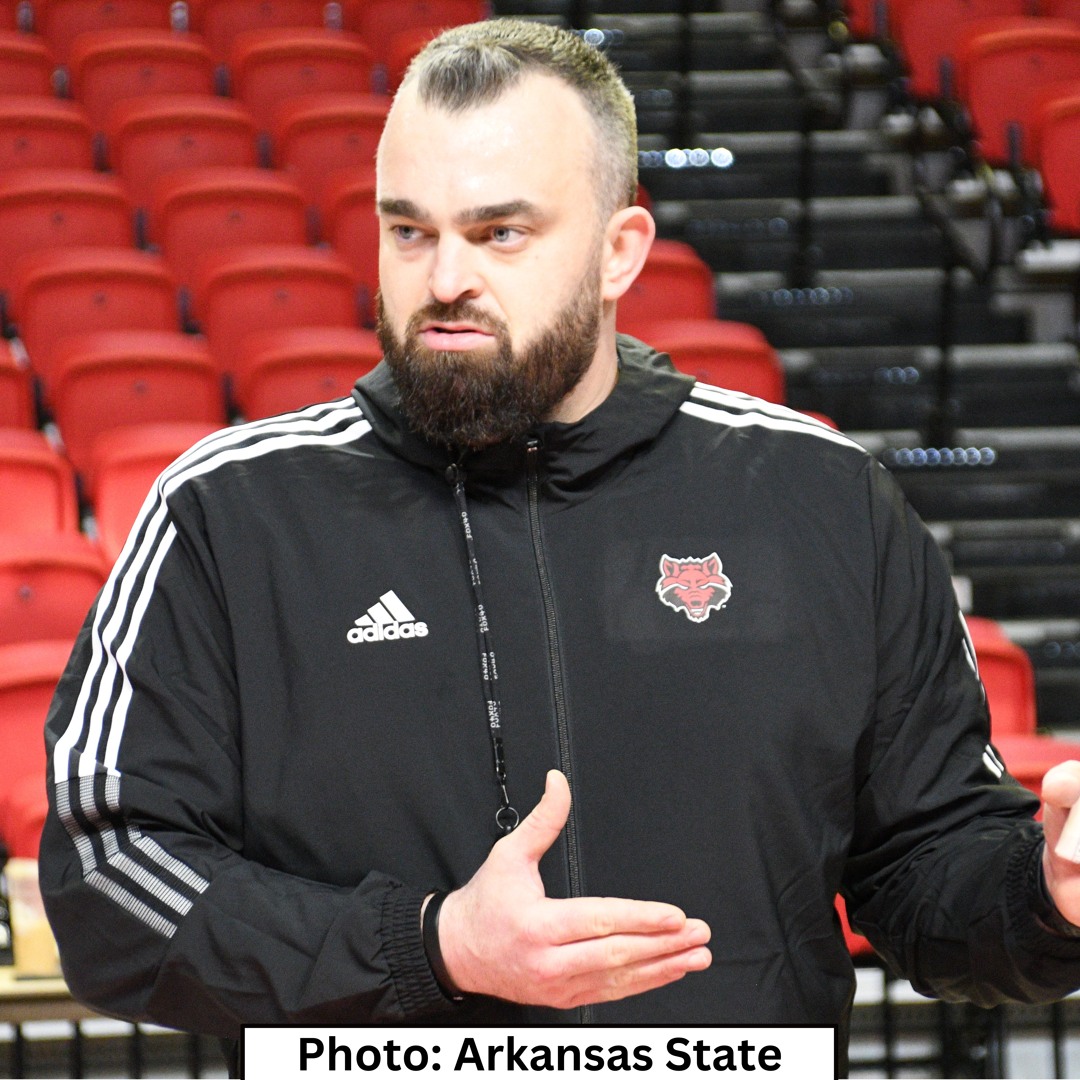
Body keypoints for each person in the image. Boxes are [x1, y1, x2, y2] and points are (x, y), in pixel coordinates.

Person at [38, 16, 1080, 1077]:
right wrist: (433, 946)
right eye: (409, 231)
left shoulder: (821, 500)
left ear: (620, 249)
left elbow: (926, 871)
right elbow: (108, 882)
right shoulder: (229, 514)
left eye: (500, 234)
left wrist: (1047, 894)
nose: (444, 277)